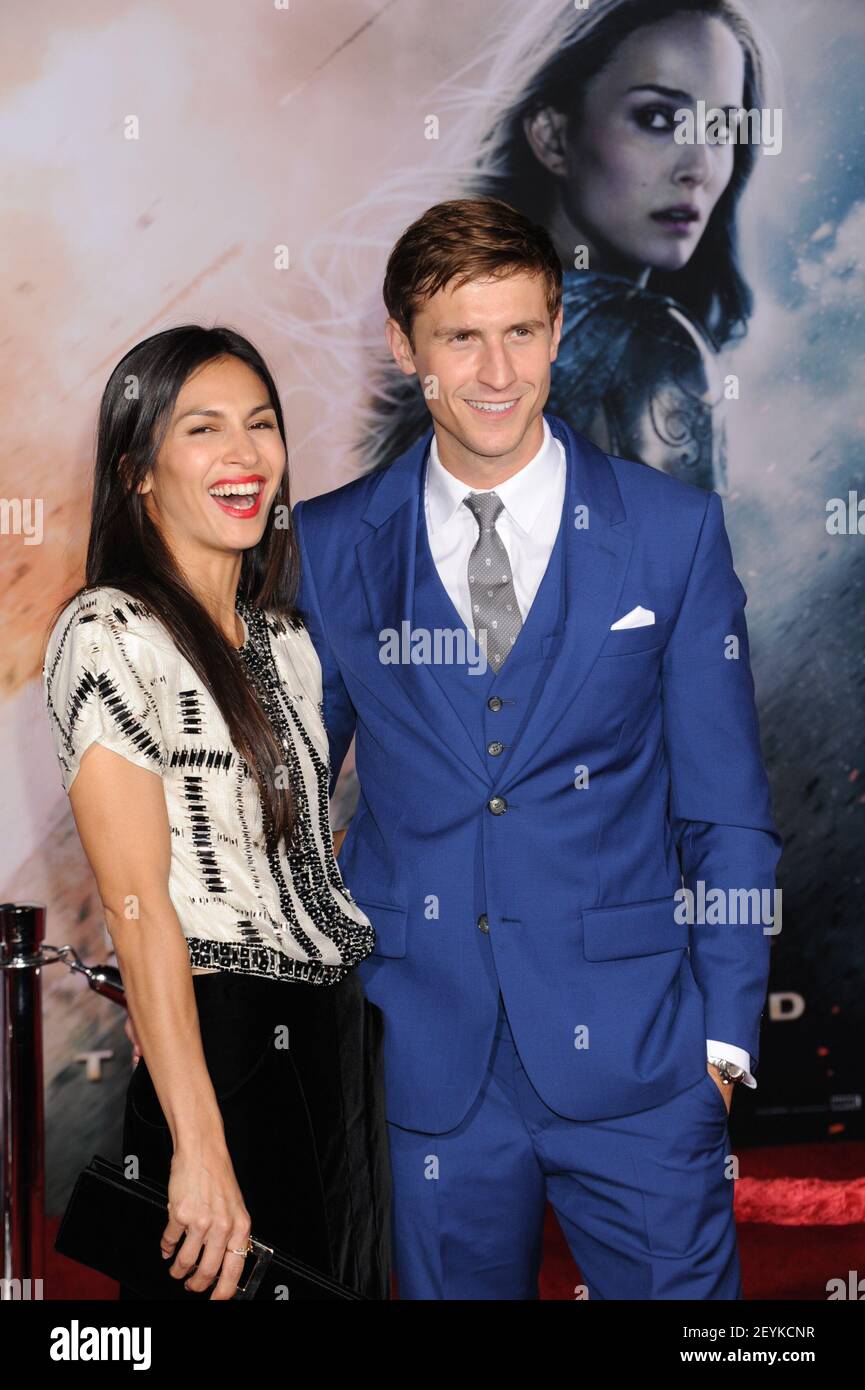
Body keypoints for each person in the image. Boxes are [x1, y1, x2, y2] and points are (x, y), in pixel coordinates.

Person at [291, 197, 782, 1299]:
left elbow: (728, 814)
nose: (496, 370)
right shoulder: (326, 545)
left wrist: (720, 1043)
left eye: (522, 330)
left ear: (558, 331)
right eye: (461, 336)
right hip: (421, 1071)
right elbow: (290, 810)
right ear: (402, 344)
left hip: (645, 1065)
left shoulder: (670, 530)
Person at [42, 325, 391, 1301]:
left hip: (338, 1039)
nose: (244, 454)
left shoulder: (285, 637)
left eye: (262, 424)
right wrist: (197, 1142)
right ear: (138, 470)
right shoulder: (109, 630)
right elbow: (140, 904)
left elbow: (302, 856)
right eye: (202, 428)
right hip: (228, 1045)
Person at [356, 0, 769, 491]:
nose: (699, 168)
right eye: (659, 119)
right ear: (552, 136)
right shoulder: (650, 345)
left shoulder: (442, 328)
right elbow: (679, 569)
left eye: (721, 128)